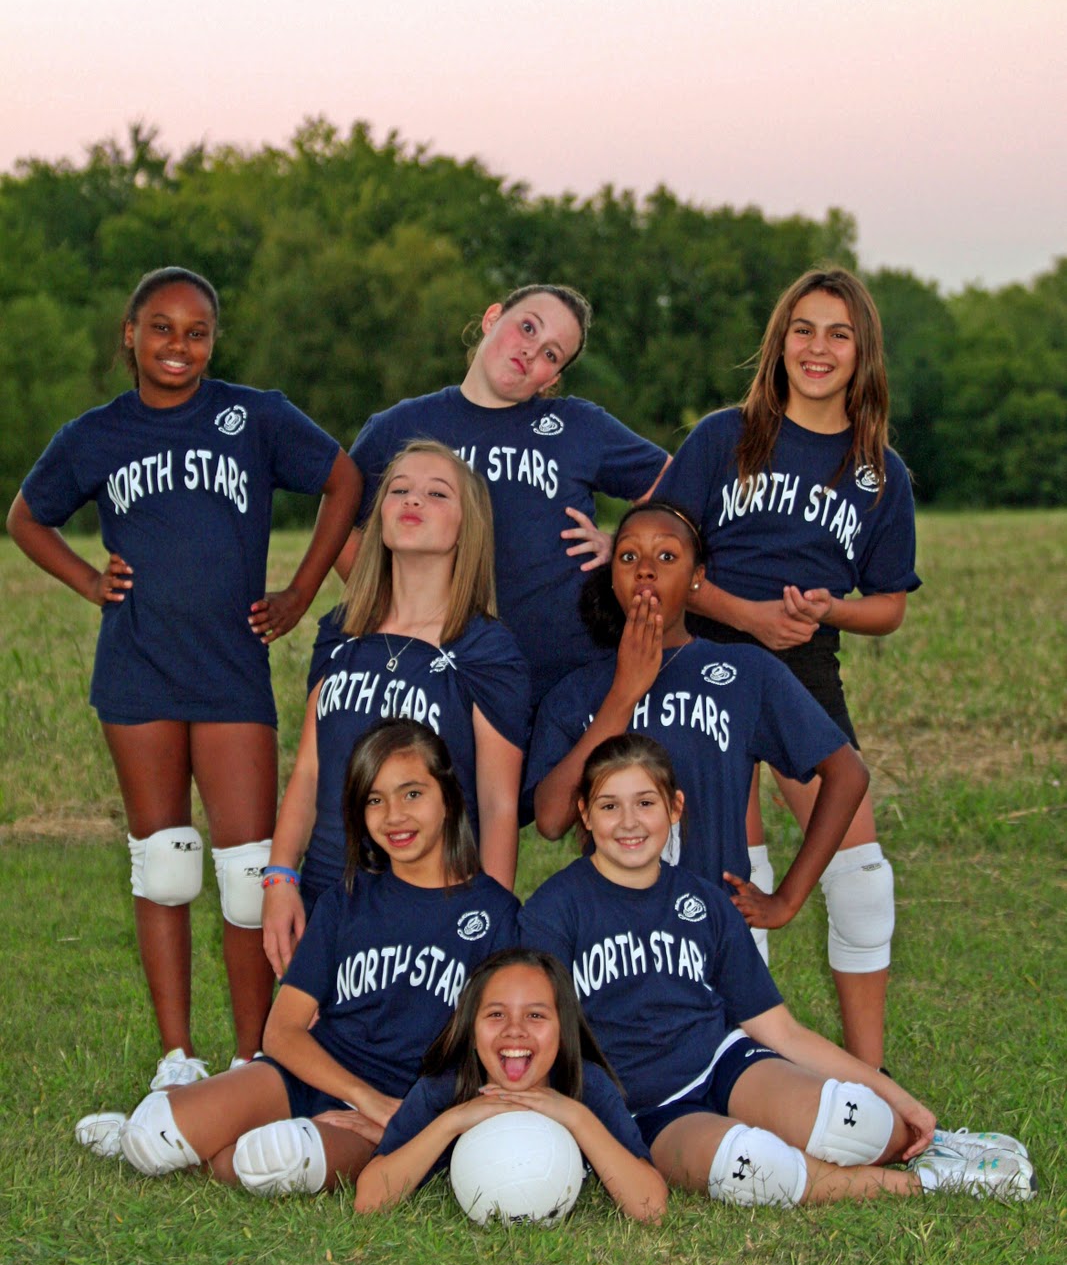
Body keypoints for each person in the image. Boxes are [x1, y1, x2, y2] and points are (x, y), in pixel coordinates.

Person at [6, 266, 361, 1084]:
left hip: (231, 670)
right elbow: (26, 516)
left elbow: (343, 477)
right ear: (129, 334)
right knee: (164, 864)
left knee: (246, 876)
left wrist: (301, 589)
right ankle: (177, 1057)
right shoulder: (96, 433)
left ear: (213, 342)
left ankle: (251, 1056)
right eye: (161, 327)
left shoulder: (254, 416)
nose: (178, 345)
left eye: (196, 332)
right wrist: (87, 579)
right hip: (138, 671)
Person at [520, 735, 1034, 1205]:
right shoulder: (555, 911)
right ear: (585, 814)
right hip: (650, 1106)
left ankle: (934, 1145)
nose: (629, 822)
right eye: (610, 806)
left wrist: (904, 1100)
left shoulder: (704, 903)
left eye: (645, 803)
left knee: (853, 1121)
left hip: (724, 1062)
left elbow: (781, 1030)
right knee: (754, 1169)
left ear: (675, 808)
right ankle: (929, 1184)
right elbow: (544, 1037)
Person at [653, 267, 921, 1068]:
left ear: (862, 353)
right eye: (802, 328)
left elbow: (888, 604)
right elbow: (660, 554)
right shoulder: (723, 437)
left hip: (802, 661)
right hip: (705, 651)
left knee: (861, 874)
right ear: (779, 342)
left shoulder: (879, 473)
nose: (817, 347)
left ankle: (868, 1077)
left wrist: (827, 609)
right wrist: (745, 615)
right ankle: (746, 1067)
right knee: (731, 871)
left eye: (839, 333)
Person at [76, 721, 520, 1195]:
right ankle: (145, 1131)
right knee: (153, 1136)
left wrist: (407, 1119)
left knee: (272, 1160)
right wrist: (364, 1098)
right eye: (375, 800)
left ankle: (205, 1141)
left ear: (449, 796)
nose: (394, 816)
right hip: (308, 1078)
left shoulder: (495, 915)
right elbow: (282, 1031)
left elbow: (492, 1056)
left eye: (412, 794)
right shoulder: (345, 900)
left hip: (398, 1104)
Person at [528, 501, 869, 948]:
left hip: (711, 939)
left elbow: (848, 773)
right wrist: (623, 694)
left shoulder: (746, 672)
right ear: (612, 575)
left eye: (666, 556)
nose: (645, 569)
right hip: (612, 942)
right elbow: (551, 819)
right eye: (628, 556)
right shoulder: (577, 690)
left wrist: (787, 900)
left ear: (697, 577)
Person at [261, 440, 530, 979]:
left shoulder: (486, 650)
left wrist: (488, 928)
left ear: (468, 526)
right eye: (399, 489)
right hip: (328, 894)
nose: (413, 500)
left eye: (437, 493)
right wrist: (281, 877)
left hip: (433, 908)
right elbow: (310, 770)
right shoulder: (341, 632)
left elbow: (498, 804)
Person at [341, 285, 670, 704]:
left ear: (552, 378)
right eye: (528, 328)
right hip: (447, 672)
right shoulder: (401, 426)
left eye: (551, 354)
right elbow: (342, 525)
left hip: (569, 677)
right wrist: (391, 611)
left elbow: (674, 485)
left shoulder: (578, 425)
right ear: (492, 318)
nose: (531, 351)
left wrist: (626, 547)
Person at [354, 948, 667, 1220]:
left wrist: (577, 1117)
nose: (514, 1030)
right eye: (496, 1014)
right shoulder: (442, 1089)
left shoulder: (587, 1086)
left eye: (535, 1015)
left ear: (563, 1031)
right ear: (471, 1032)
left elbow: (651, 1207)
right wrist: (453, 1121)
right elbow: (369, 1201)